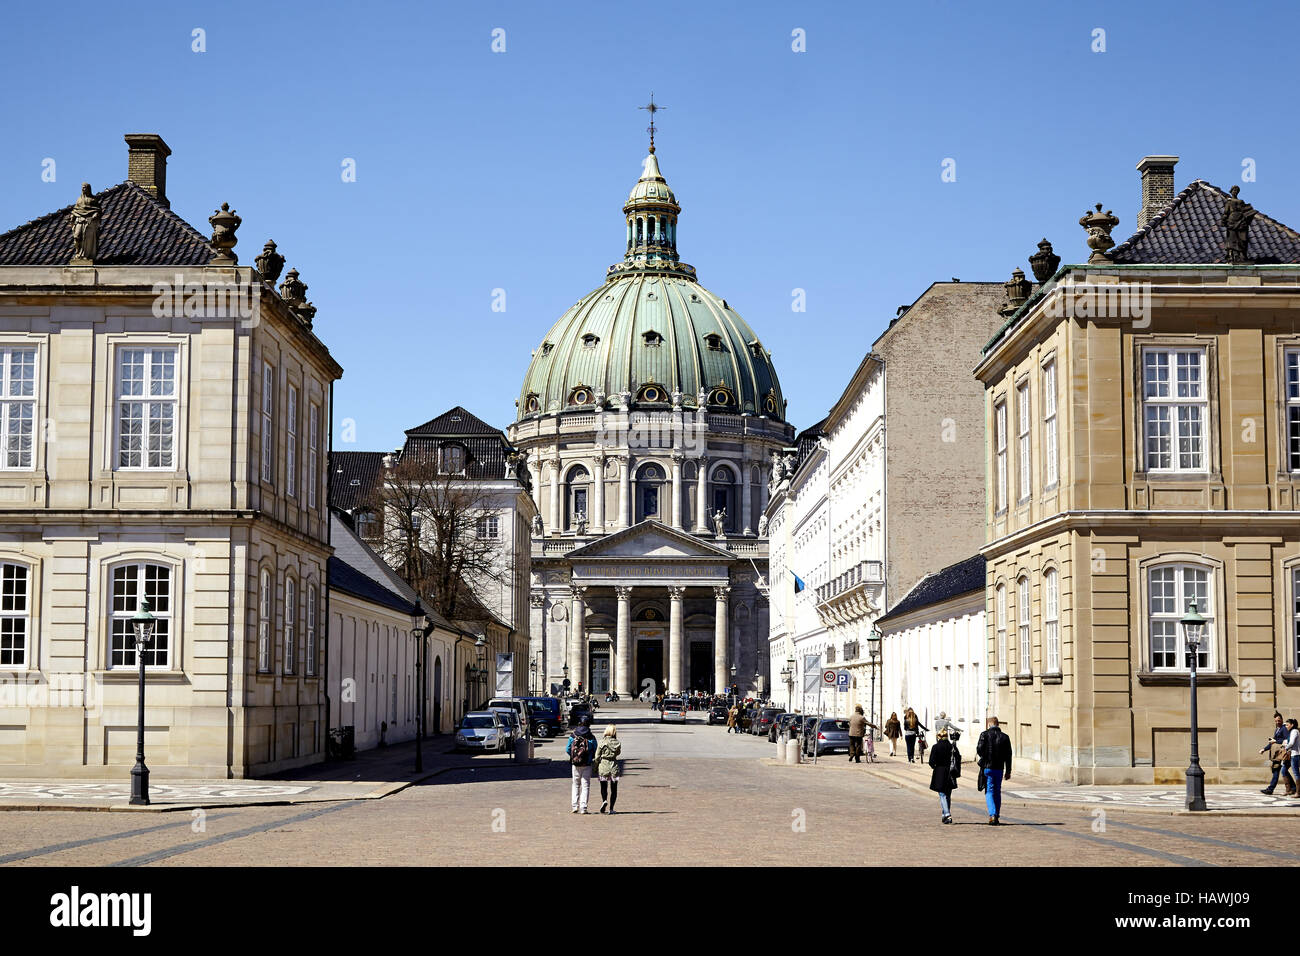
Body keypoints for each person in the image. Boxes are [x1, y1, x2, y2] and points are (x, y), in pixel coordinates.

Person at [976, 716, 1013, 825]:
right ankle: (996, 814)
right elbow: (1008, 755)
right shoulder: (1005, 737)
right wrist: (1008, 770)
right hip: (999, 768)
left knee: (989, 791)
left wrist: (986, 755)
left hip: (988, 767)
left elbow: (979, 750)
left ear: (989, 724)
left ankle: (992, 814)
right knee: (997, 791)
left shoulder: (984, 735)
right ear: (998, 724)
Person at [566, 715, 597, 813]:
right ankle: (583, 807)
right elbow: (595, 749)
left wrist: (574, 757)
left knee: (575, 784)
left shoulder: (573, 735)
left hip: (575, 764)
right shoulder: (591, 736)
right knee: (585, 785)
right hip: (587, 764)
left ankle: (574, 806)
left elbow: (567, 749)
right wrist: (590, 756)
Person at [928, 727, 958, 824]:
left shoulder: (935, 747)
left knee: (942, 794)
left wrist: (935, 766)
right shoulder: (952, 747)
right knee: (948, 794)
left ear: (938, 737)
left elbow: (931, 762)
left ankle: (947, 814)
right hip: (950, 772)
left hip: (940, 772)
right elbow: (957, 759)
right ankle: (944, 815)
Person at [1259, 712, 1294, 795]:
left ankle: (1271, 789)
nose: (1277, 722)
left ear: (1282, 720)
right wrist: (1264, 749)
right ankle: (1293, 788)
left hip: (1281, 754)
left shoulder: (1284, 728)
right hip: (1277, 755)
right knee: (1281, 771)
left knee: (1277, 771)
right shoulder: (1277, 729)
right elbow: (1272, 742)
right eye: (1276, 721)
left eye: (1279, 720)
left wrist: (1276, 741)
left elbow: (1287, 740)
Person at [595, 724, 622, 814]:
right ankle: (611, 808)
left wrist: (595, 767)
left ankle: (604, 800)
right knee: (614, 789)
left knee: (603, 786)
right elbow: (618, 753)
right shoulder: (617, 743)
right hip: (614, 766)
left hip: (603, 765)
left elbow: (597, 757)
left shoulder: (601, 742)